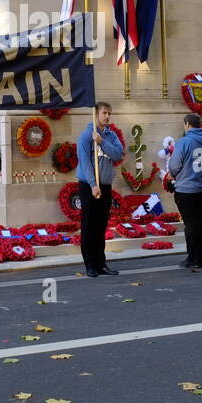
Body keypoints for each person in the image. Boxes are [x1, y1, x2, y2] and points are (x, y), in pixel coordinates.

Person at [76, 103, 124, 277]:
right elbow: (85, 163)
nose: (107, 116)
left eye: (109, 113)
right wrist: (92, 185)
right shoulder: (85, 137)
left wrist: (102, 142)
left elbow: (118, 154)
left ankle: (100, 262)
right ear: (96, 114)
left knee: (101, 225)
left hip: (105, 185)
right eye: (104, 113)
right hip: (89, 186)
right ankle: (90, 264)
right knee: (89, 225)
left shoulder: (111, 136)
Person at [169, 113, 202, 270]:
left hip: (186, 188)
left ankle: (192, 257)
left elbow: (174, 166)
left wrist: (175, 175)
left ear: (187, 125)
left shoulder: (184, 142)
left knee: (191, 224)